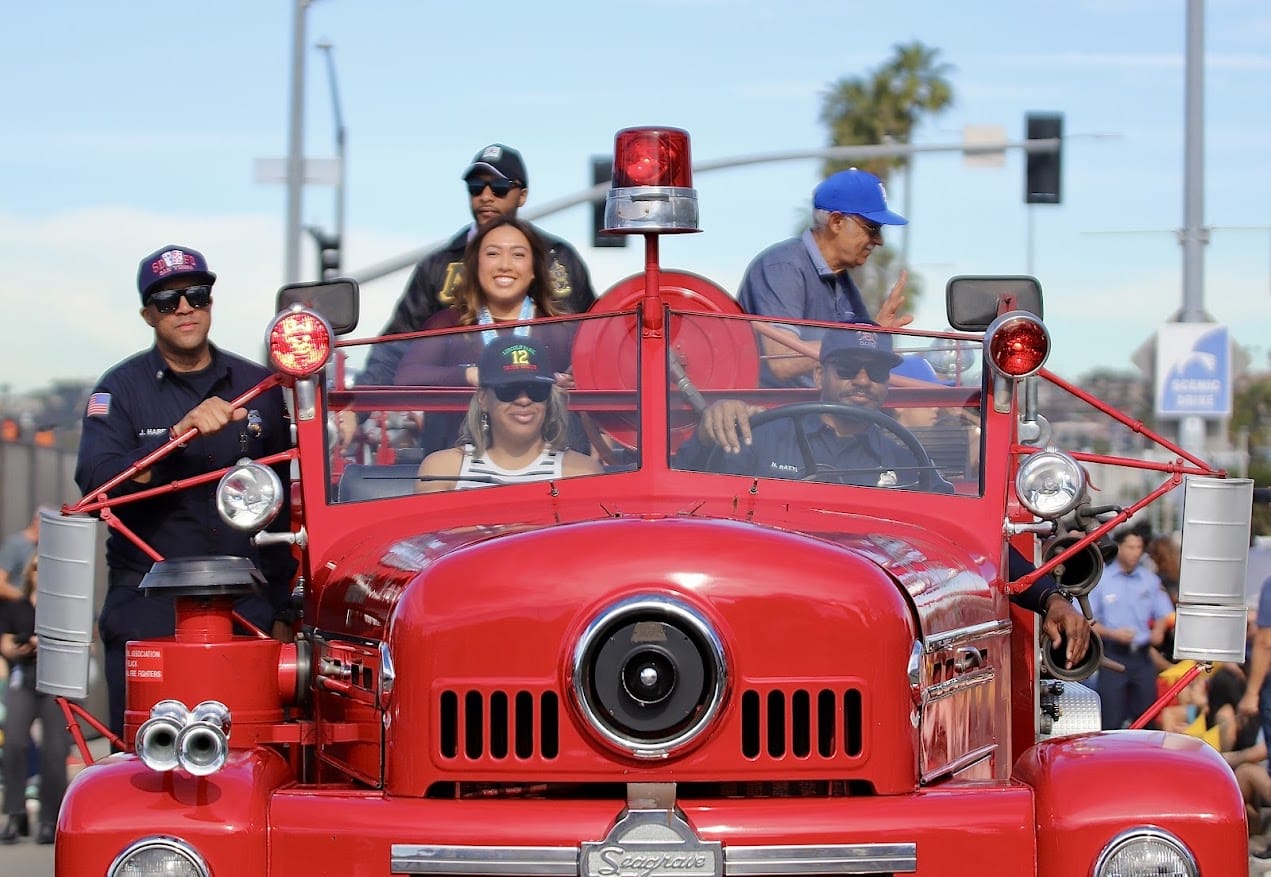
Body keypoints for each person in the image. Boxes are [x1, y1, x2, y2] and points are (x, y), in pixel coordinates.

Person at [675, 327, 1091, 668]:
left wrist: (1050, 598)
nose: (861, 380)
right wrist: (710, 428)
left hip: (869, 637)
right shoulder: (760, 438)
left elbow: (970, 538)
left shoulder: (905, 460)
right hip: (761, 627)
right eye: (847, 368)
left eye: (874, 371)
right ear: (820, 375)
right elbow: (681, 502)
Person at [74, 244, 296, 737]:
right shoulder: (119, 390)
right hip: (150, 605)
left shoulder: (260, 386)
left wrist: (283, 608)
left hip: (247, 603)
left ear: (211, 302)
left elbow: (279, 508)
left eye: (197, 295)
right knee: (143, 756)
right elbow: (95, 485)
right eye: (166, 301)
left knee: (259, 751)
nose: (184, 308)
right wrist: (176, 438)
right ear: (148, 315)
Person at [359, 143, 595, 388]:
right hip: (458, 409)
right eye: (475, 187)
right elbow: (396, 347)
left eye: (499, 187)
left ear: (522, 195)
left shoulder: (559, 257)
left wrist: (583, 374)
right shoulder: (438, 265)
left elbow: (594, 334)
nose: (486, 196)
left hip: (543, 406)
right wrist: (361, 401)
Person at [737, 168, 912, 387]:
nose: (879, 240)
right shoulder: (783, 266)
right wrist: (864, 337)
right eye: (872, 228)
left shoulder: (844, 283)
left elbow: (857, 357)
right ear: (836, 222)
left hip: (819, 405)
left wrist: (872, 337)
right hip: (773, 406)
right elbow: (782, 361)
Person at [415, 336, 600, 492]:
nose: (524, 400)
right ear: (483, 399)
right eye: (508, 390)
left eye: (536, 389)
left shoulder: (582, 473)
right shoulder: (443, 470)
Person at [0, 556, 70, 844]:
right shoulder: (18, 607)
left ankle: (50, 819)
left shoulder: (65, 605)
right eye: (36, 568)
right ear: (29, 574)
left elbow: (85, 645)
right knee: (14, 742)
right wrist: (20, 648)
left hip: (56, 681)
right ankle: (15, 814)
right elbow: (5, 642)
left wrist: (49, 644)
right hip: (25, 678)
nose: (41, 574)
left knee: (54, 749)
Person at [1090, 526, 1175, 729]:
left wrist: (1159, 630)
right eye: (1130, 547)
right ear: (1119, 547)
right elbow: (1087, 620)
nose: (1135, 552)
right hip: (1113, 656)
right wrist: (1113, 634)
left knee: (1147, 719)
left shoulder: (1149, 580)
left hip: (1142, 657)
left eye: (1139, 547)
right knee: (1111, 720)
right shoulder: (1102, 580)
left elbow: (1164, 612)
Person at [0, 507, 45, 602]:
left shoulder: (43, 547)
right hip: (15, 605)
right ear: (37, 521)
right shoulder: (15, 544)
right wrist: (26, 601)